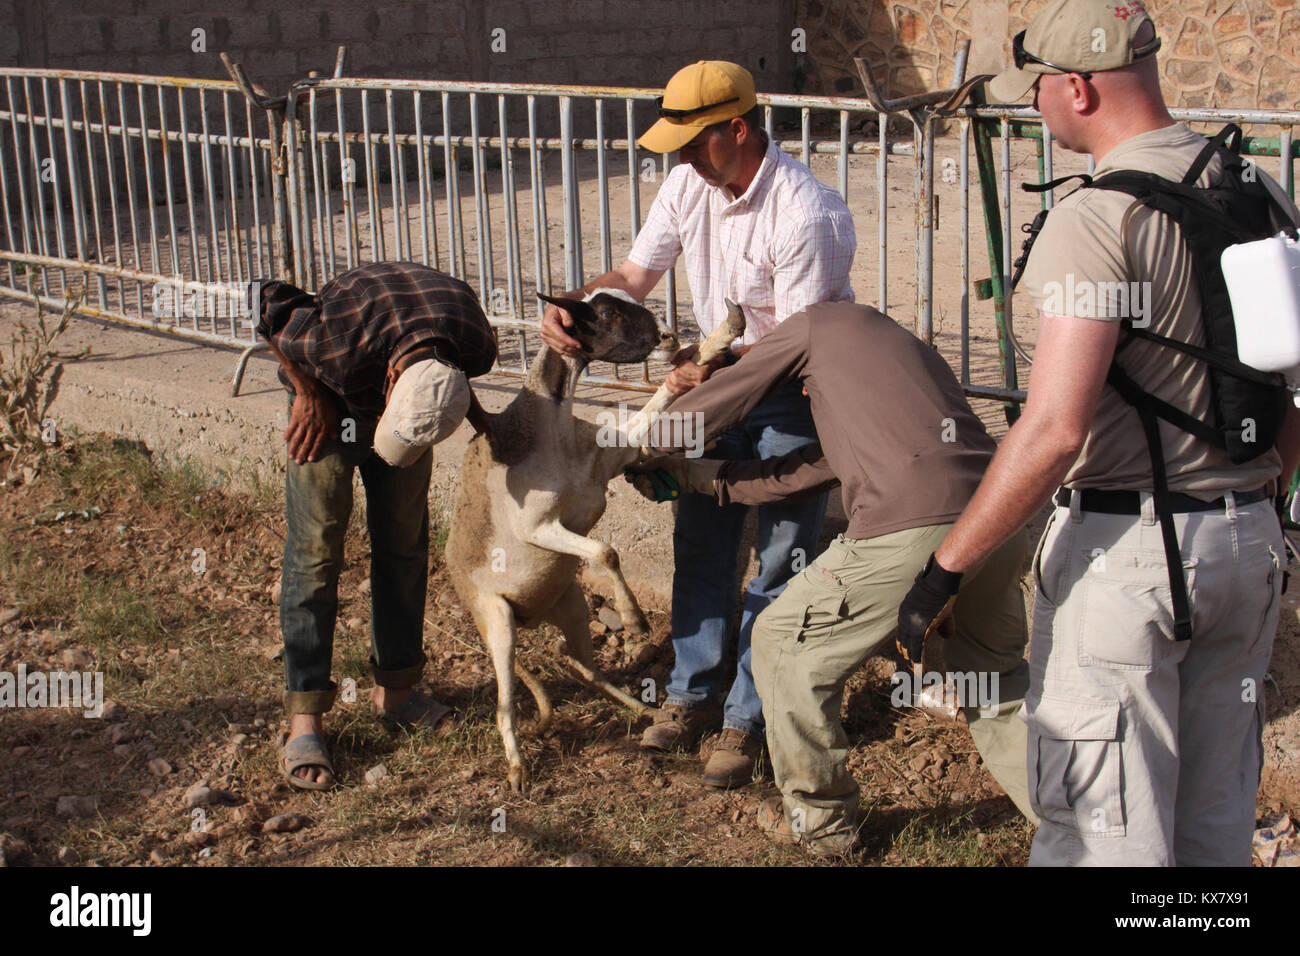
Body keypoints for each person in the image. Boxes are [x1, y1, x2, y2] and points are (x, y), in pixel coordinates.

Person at [895, 0, 1300, 865]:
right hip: (1249, 547)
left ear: (1076, 87)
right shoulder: (1257, 190)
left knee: (1102, 834)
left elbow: (1053, 428)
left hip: (1130, 560)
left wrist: (944, 571)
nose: (1032, 104)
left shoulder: (1095, 219)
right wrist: (1263, 500)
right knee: (1211, 823)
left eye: (1036, 86)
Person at [540, 60, 856, 788]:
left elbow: (792, 346)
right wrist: (583, 304)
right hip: (712, 387)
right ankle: (691, 695)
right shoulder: (691, 184)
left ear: (737, 129)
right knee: (702, 539)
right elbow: (634, 275)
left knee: (783, 560)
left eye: (691, 140)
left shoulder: (808, 213)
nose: (678, 156)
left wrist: (700, 371)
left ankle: (750, 717)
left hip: (790, 395)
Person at [628, 301, 1036, 856]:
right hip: (998, 520)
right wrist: (699, 479)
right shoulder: (896, 354)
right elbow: (807, 473)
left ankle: (821, 826)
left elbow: (706, 413)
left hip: (912, 524)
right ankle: (1068, 817)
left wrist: (637, 443)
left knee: (781, 647)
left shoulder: (814, 325)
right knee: (996, 681)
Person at [258, 261, 497, 790]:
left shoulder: (477, 342)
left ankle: (398, 692)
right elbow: (269, 303)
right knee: (316, 555)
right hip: (330, 405)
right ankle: (305, 718)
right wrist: (307, 392)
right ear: (390, 380)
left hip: (404, 365)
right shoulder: (335, 343)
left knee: (405, 547)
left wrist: (484, 424)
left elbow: (448, 373)